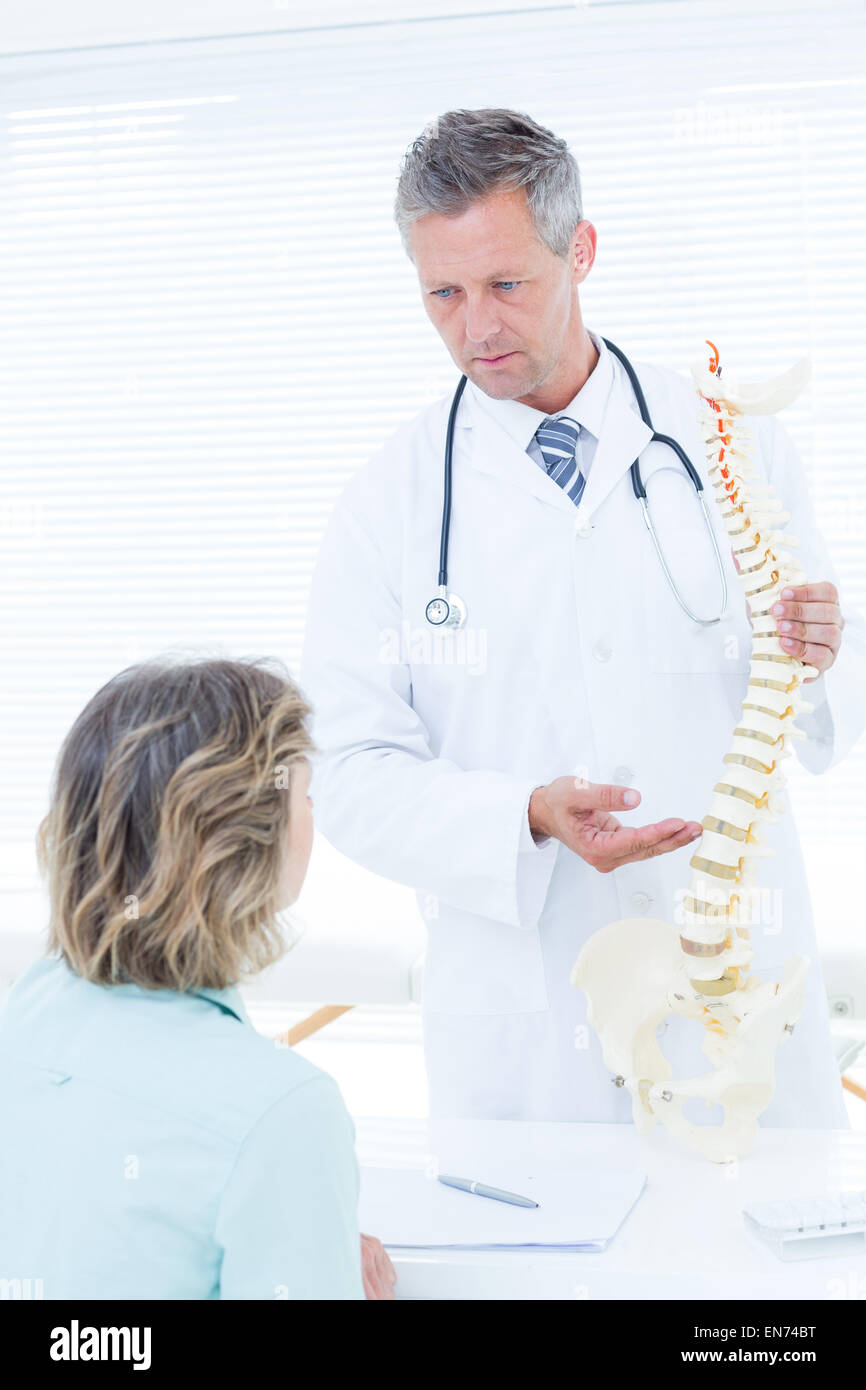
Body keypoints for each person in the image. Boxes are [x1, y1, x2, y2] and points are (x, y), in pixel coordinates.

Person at [300, 108, 866, 1126]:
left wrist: (822, 656)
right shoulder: (386, 502)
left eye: (506, 283)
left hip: (730, 986)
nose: (474, 327)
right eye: (442, 293)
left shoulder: (725, 439)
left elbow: (826, 701)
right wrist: (522, 813)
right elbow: (349, 774)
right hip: (528, 1020)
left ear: (581, 250)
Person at [0, 657, 395, 1300]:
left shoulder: (30, 1011)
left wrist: (292, 1236)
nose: (313, 811)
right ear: (243, 840)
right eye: (303, 793)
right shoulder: (288, 1111)